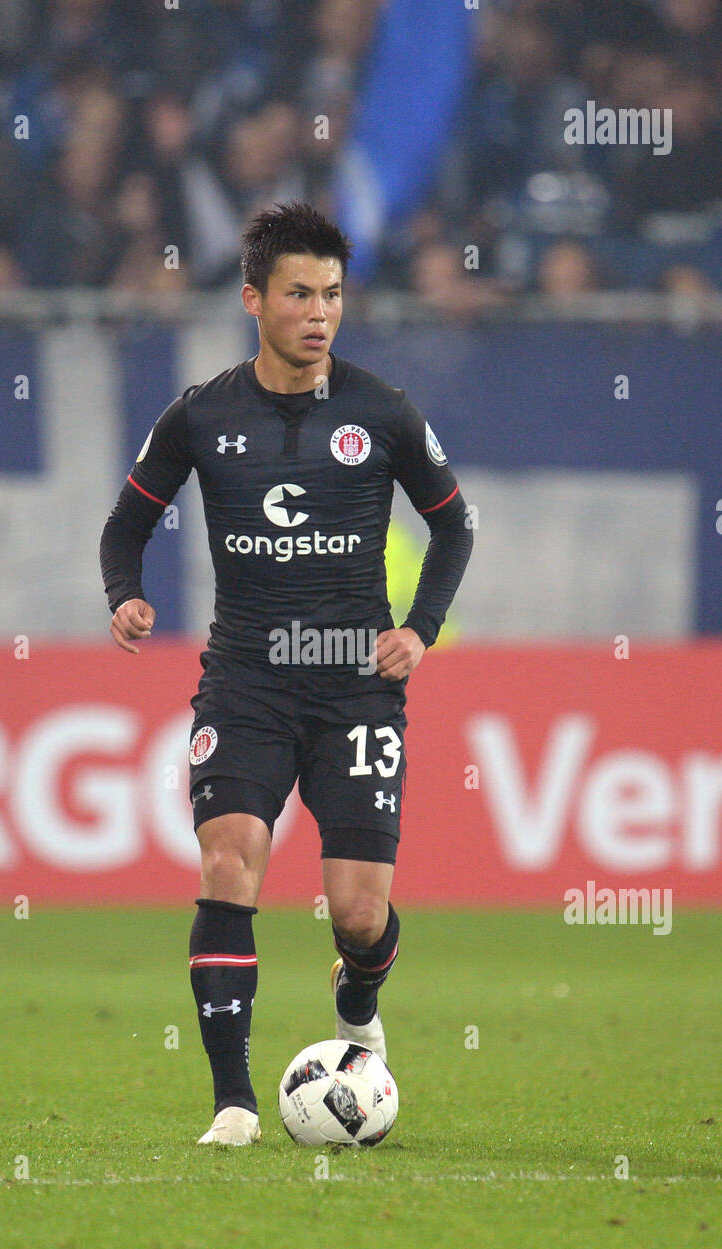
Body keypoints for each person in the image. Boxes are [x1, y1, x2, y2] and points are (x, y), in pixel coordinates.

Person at [100, 201, 473, 1144]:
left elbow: (454, 523)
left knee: (357, 912)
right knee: (228, 862)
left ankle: (357, 999)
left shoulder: (381, 410)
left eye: (333, 294)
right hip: (246, 682)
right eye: (300, 294)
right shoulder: (201, 413)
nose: (320, 313)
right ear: (252, 299)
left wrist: (419, 630)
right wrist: (125, 594)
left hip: (354, 686)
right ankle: (233, 1101)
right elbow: (127, 522)